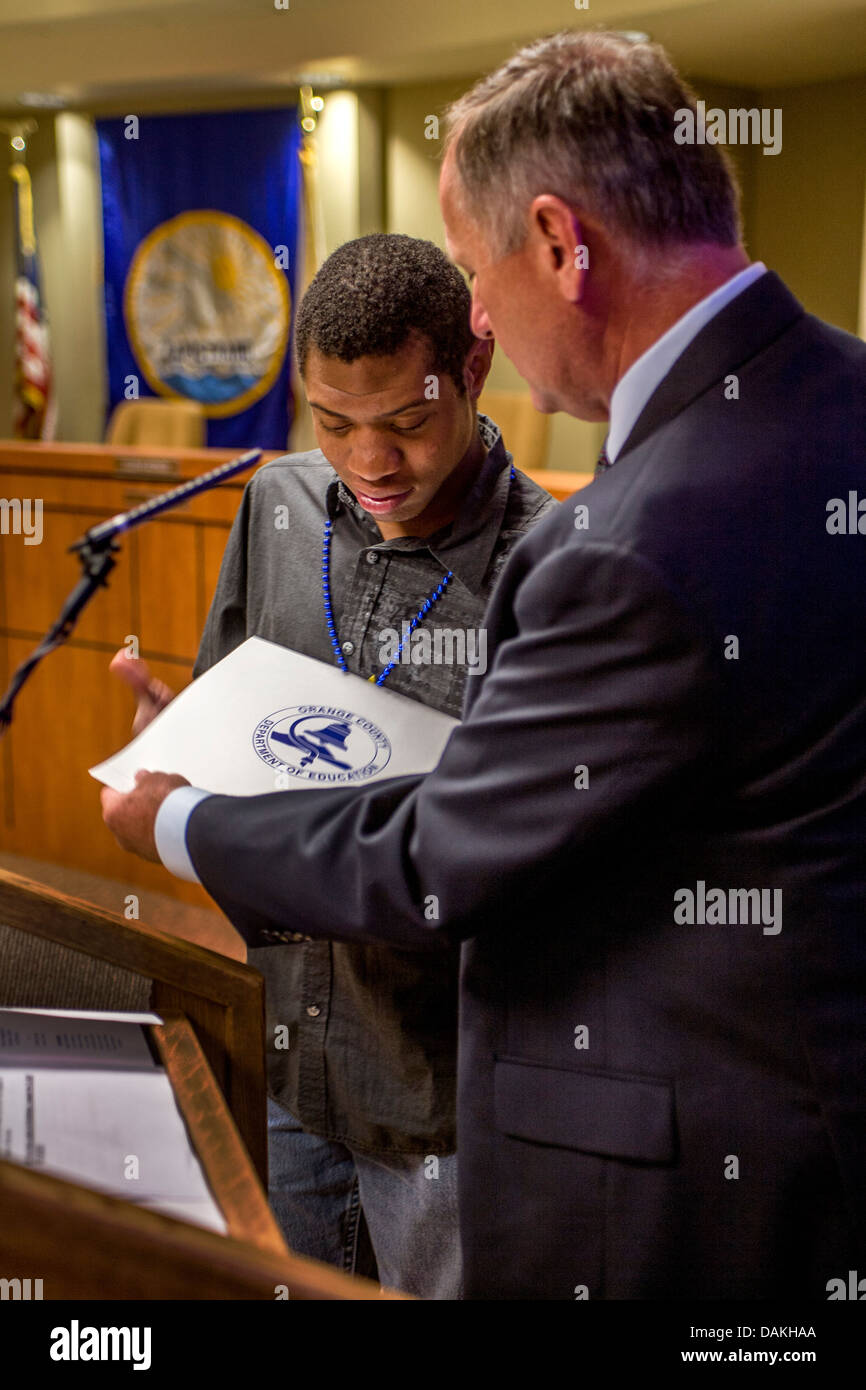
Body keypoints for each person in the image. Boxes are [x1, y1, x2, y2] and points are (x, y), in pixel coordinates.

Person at [102, 32, 866, 1299]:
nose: (480, 317)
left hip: (681, 1180)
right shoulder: (832, 401)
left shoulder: (614, 541)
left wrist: (180, 822)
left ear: (561, 244)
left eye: (474, 270)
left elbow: (436, 862)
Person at [109, 231, 556, 1299]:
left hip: (439, 1093)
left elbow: (528, 865)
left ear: (473, 368)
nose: (369, 463)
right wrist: (191, 745)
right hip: (284, 1049)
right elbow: (236, 715)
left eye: (406, 420)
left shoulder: (553, 565)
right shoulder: (276, 505)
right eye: (333, 421)